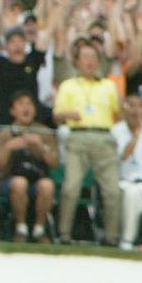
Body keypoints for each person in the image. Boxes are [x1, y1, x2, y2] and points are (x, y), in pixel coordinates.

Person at [52, 39, 122, 245]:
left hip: (104, 136)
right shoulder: (68, 86)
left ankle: (112, 236)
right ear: (76, 61)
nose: (90, 61)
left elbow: (119, 114)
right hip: (78, 136)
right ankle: (64, 234)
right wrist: (68, 114)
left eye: (93, 57)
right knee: (71, 187)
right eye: (85, 57)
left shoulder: (109, 85)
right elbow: (56, 116)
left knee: (112, 190)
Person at [0, 91, 57, 241]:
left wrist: (40, 147)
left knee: (47, 185)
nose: (26, 108)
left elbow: (54, 162)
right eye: (21, 104)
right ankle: (21, 228)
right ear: (12, 111)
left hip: (37, 178)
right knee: (20, 183)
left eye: (29, 104)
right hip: (10, 180)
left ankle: (39, 229)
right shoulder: (4, 133)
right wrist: (8, 148)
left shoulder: (44, 132)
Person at [112, 93, 142, 249]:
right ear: (124, 108)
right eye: (131, 105)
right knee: (132, 194)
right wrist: (136, 134)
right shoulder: (116, 130)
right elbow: (125, 155)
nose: (135, 110)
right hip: (126, 180)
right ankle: (127, 240)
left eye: (140, 106)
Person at [0, 25, 47, 127]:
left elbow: (45, 37)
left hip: (32, 127)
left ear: (26, 45)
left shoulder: (32, 61)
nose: (17, 45)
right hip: (2, 126)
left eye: (21, 41)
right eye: (12, 41)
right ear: (6, 46)